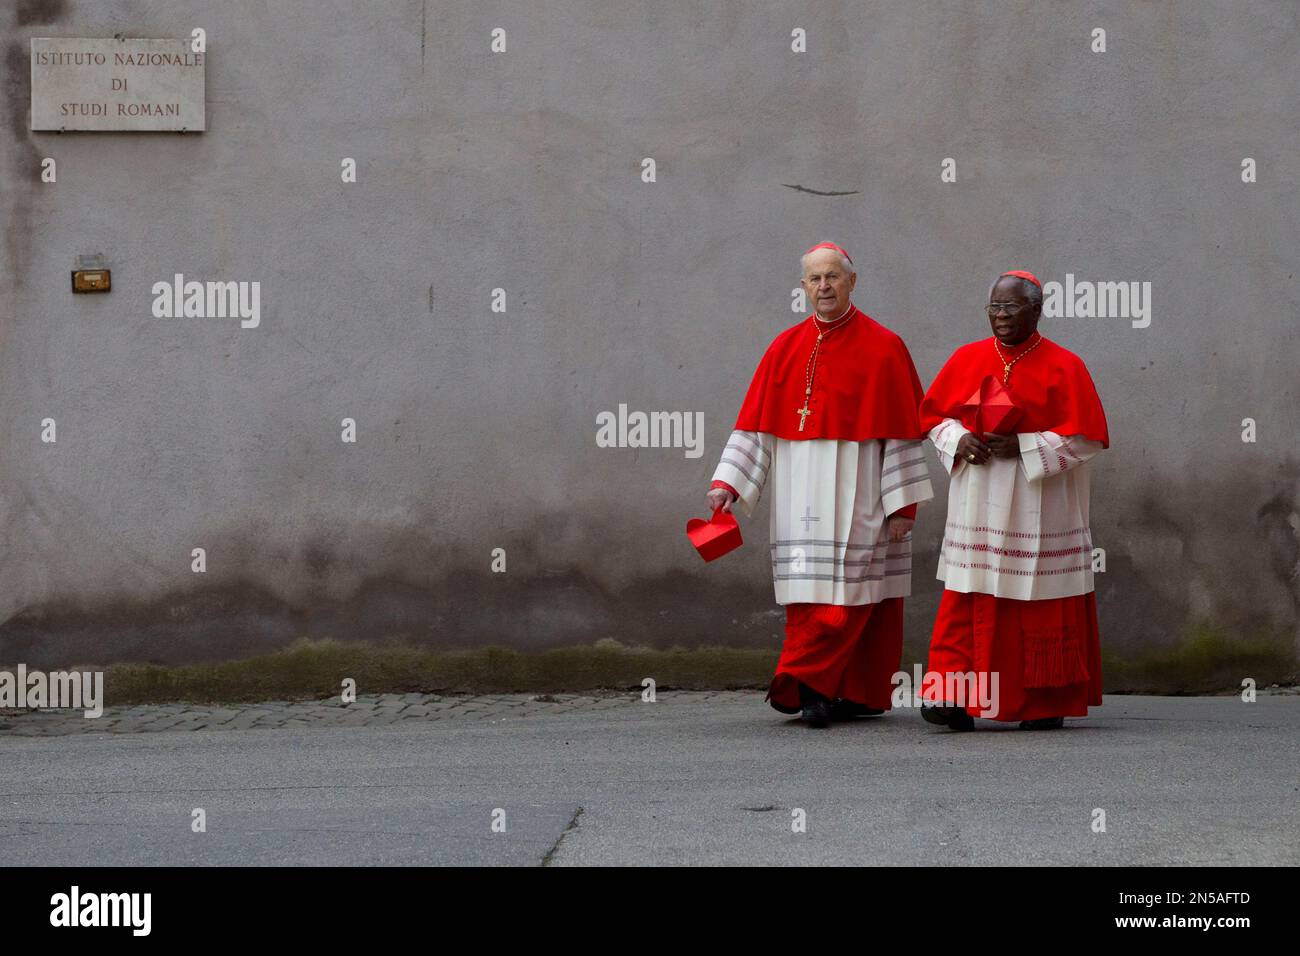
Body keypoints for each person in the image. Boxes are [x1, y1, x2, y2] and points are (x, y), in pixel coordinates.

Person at [707, 241, 933, 728]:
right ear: (804, 286)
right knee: (811, 598)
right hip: (797, 496)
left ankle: (840, 689)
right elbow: (754, 428)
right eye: (815, 278)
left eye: (833, 276)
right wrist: (728, 483)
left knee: (856, 597)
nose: (824, 286)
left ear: (853, 281)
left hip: (861, 494)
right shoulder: (783, 346)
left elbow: (900, 433)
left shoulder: (885, 346)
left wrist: (903, 507)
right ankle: (816, 690)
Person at [918, 269, 1110, 731]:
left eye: (1012, 307)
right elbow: (932, 416)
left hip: (1039, 508)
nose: (1001, 317)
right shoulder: (967, 357)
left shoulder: (1067, 365)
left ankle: (1042, 702)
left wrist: (1024, 446)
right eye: (995, 308)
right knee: (967, 598)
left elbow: (1087, 439)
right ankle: (954, 696)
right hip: (979, 503)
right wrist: (958, 440)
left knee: (1040, 601)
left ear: (1037, 310)